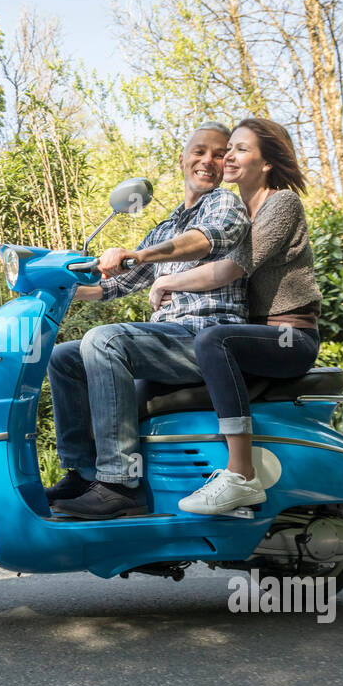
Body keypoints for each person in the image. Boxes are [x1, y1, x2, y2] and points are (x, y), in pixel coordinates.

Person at [46, 122, 251, 519]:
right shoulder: (165, 228)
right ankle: (85, 471)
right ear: (183, 159)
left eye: (218, 154)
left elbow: (209, 239)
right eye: (199, 151)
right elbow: (114, 286)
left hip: (206, 339)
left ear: (227, 164)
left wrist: (140, 255)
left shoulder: (224, 204)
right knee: (63, 358)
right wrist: (55, 287)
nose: (207, 160)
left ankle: (119, 483)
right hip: (169, 338)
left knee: (104, 341)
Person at [147, 117, 322, 515]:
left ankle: (241, 474)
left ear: (266, 164)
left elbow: (230, 269)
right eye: (231, 148)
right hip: (254, 337)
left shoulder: (281, 204)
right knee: (148, 375)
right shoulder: (234, 210)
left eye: (241, 149)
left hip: (290, 337)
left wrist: (168, 282)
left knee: (214, 338)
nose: (228, 156)